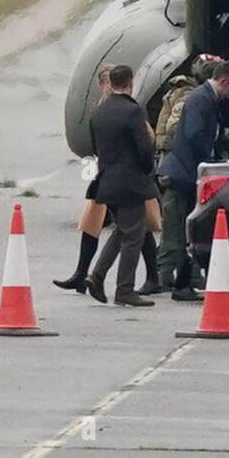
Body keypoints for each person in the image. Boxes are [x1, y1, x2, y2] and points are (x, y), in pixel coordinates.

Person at [153, 57, 229, 289]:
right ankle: (168, 276)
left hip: (187, 172)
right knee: (176, 227)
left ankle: (186, 276)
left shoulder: (206, 98)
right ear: (224, 80)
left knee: (185, 226)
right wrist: (209, 161)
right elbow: (195, 135)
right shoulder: (200, 99)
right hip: (183, 173)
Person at [83, 65, 159, 307]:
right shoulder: (133, 111)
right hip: (130, 183)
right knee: (133, 237)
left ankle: (96, 277)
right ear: (130, 83)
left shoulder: (99, 112)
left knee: (123, 231)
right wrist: (147, 169)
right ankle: (124, 288)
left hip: (107, 181)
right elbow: (145, 148)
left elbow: (95, 148)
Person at [53, 64, 114, 294]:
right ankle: (82, 273)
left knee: (137, 227)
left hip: (119, 177)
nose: (111, 87)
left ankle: (155, 275)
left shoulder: (120, 107)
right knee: (95, 225)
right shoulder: (100, 108)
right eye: (108, 82)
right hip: (105, 176)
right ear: (101, 85)